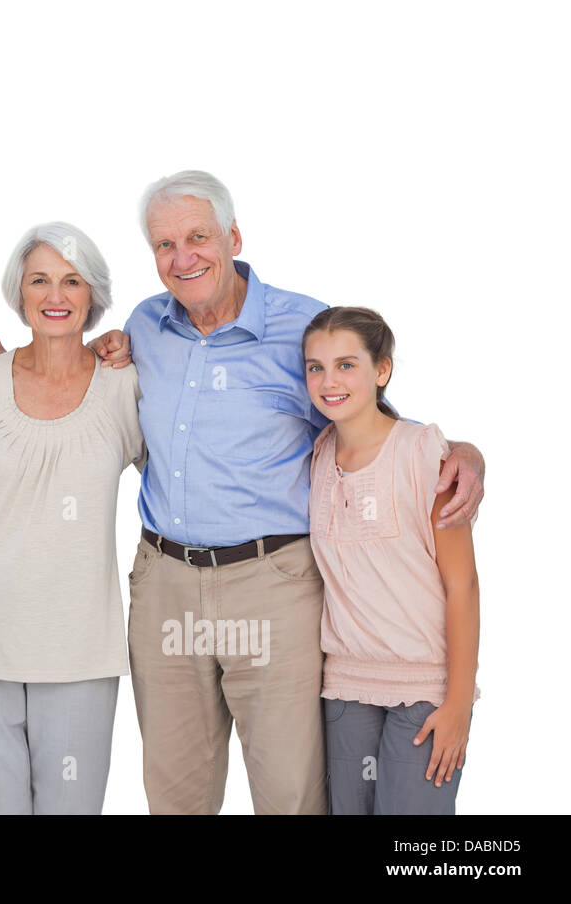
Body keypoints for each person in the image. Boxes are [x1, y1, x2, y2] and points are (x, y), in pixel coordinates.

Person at [119, 170, 485, 814]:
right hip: (164, 581)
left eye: (199, 237)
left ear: (233, 236)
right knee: (173, 793)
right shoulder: (145, 326)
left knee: (290, 793)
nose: (183, 259)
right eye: (164, 245)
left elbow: (372, 423)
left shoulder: (299, 326)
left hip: (273, 581)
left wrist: (466, 453)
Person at [0, 222, 145, 815]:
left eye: (71, 281)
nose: (56, 295)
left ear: (92, 295)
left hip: (80, 650)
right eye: (40, 280)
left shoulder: (123, 385)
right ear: (19, 293)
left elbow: (180, 474)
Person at [303, 307, 479, 814]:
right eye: (315, 367)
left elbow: (463, 586)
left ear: (382, 371)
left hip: (425, 690)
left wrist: (459, 705)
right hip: (345, 688)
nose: (329, 381)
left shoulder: (424, 454)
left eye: (346, 365)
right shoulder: (317, 456)